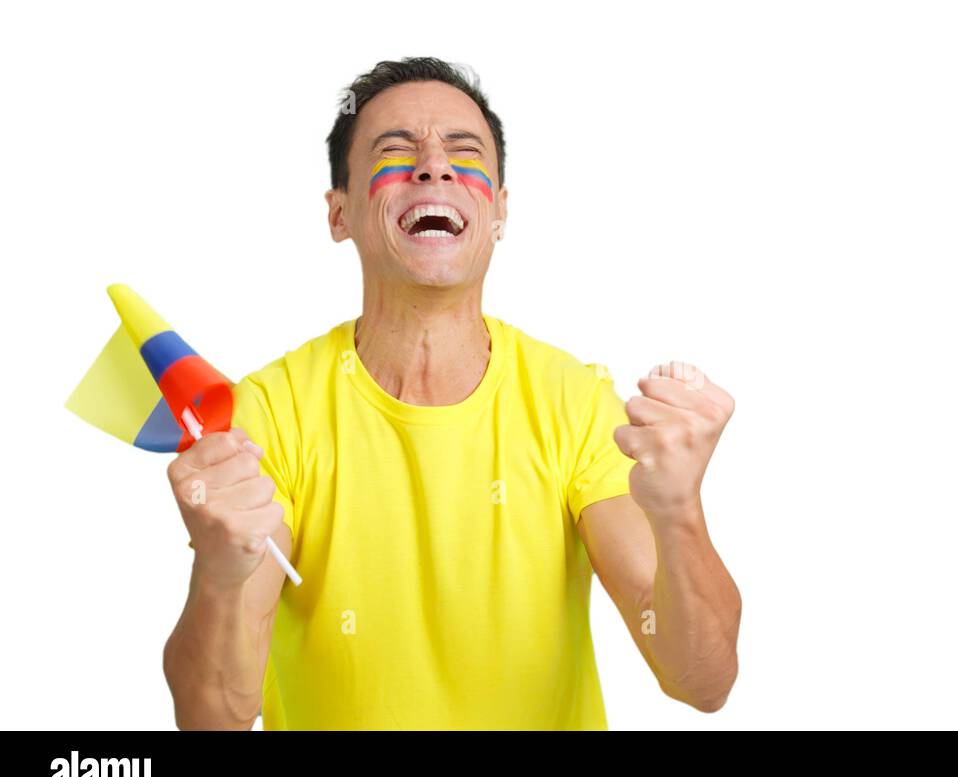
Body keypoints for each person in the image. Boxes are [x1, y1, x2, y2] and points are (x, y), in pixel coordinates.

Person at [161, 57, 741, 729]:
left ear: (497, 210)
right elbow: (213, 717)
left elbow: (701, 678)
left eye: (464, 153)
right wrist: (221, 571)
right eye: (394, 150)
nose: (433, 166)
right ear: (339, 212)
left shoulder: (576, 403)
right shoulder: (268, 413)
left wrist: (679, 514)